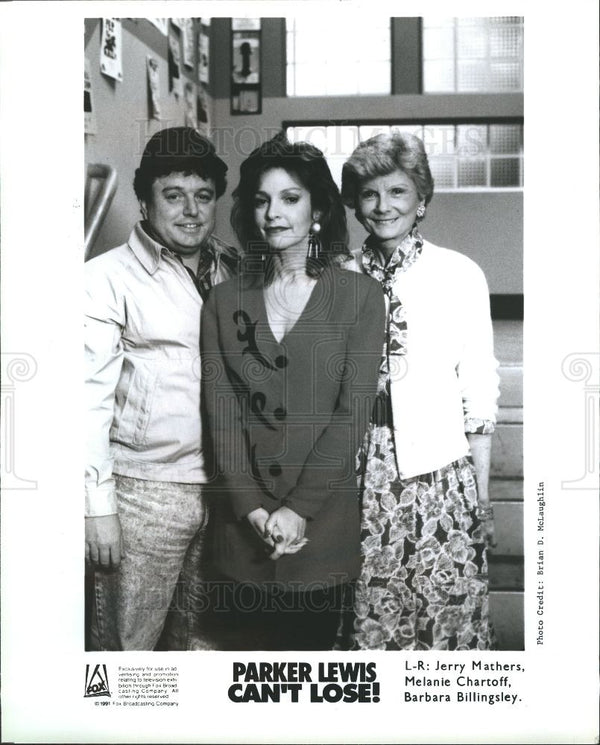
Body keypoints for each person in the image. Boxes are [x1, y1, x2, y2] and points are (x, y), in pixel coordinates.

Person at [200, 133, 385, 650]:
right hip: (241, 536)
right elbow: (221, 415)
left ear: (317, 208)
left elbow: (352, 414)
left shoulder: (361, 297)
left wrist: (299, 508)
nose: (273, 214)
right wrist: (251, 508)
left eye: (290, 198)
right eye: (262, 200)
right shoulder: (222, 301)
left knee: (309, 682)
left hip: (320, 532)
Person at [337, 131, 499, 650]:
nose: (383, 206)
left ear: (421, 199)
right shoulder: (336, 276)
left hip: (439, 474)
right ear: (355, 204)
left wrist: (481, 495)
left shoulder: (459, 274)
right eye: (369, 194)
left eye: (397, 192)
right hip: (357, 473)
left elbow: (479, 388)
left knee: (444, 618)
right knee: (367, 624)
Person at [85, 127, 239, 650]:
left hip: (222, 491)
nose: (191, 210)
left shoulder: (232, 269)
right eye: (173, 195)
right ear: (145, 202)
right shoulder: (105, 278)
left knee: (197, 647)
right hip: (143, 492)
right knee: (128, 653)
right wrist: (98, 507)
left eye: (203, 196)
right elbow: (86, 401)